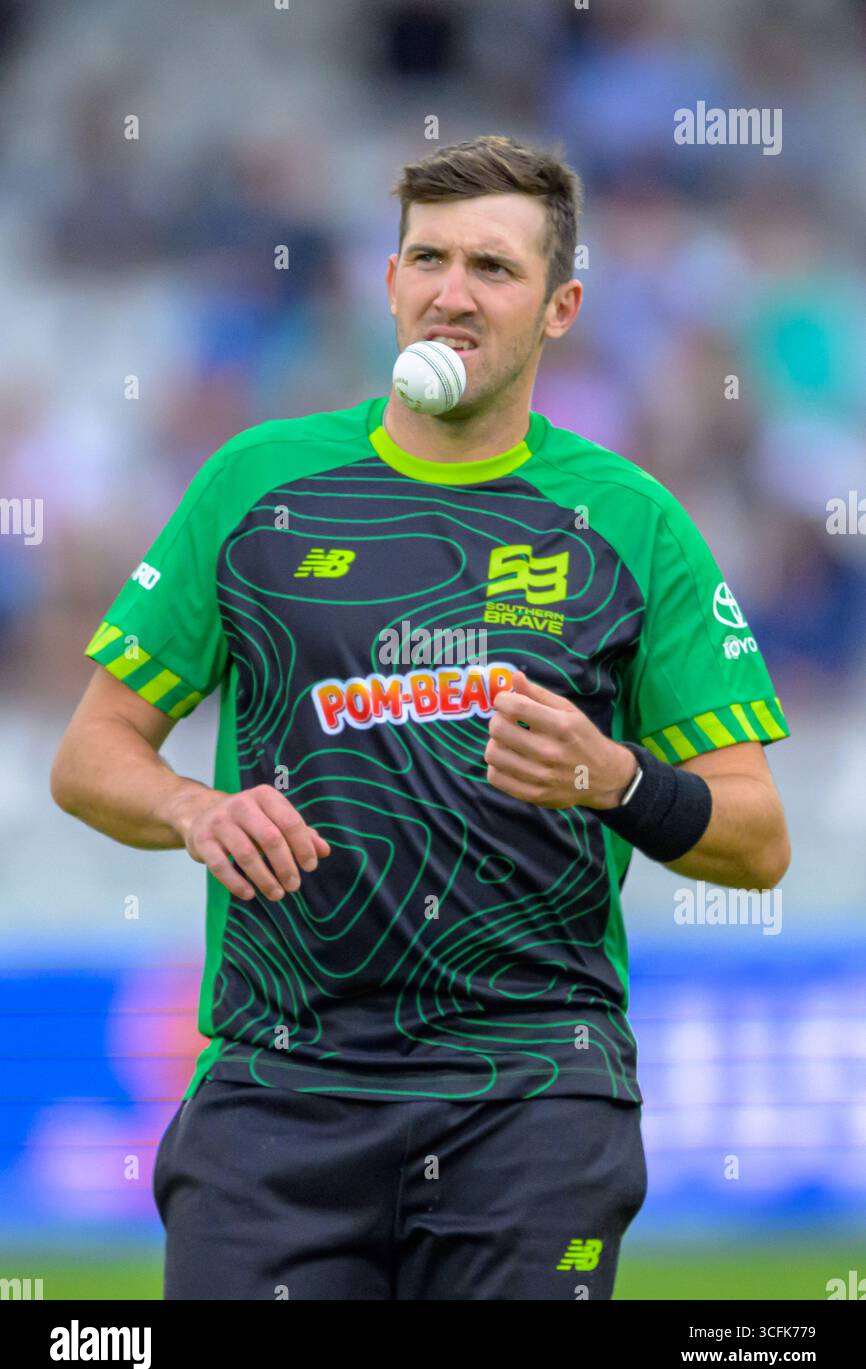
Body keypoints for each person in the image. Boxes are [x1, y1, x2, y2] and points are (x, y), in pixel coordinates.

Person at [51, 134, 790, 1301]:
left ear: (559, 308)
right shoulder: (257, 486)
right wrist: (192, 807)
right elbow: (92, 757)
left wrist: (614, 780)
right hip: (276, 1093)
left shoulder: (632, 522)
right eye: (426, 258)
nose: (451, 292)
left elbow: (756, 839)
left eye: (492, 268)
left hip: (534, 1095)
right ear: (388, 282)